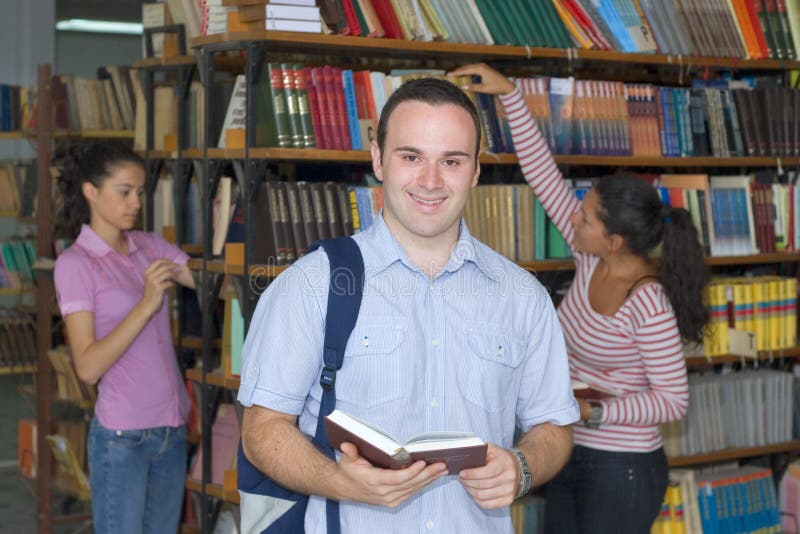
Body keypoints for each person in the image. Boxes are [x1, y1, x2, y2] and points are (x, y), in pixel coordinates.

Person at [238, 77, 580, 533]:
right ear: (378, 158)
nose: (431, 181)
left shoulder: (523, 297)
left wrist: (523, 467)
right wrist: (341, 481)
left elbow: (553, 427)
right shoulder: (310, 285)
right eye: (411, 156)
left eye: (452, 161)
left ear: (476, 170)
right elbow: (262, 431)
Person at [449, 63, 709, 534]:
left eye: (586, 218)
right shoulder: (592, 260)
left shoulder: (648, 303)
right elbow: (544, 176)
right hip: (570, 447)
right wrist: (509, 93)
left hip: (623, 467)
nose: (574, 220)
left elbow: (673, 401)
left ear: (614, 240)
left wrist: (596, 411)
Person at [54, 141, 196, 534]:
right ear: (91, 191)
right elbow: (87, 366)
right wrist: (147, 303)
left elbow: (211, 284)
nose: (135, 202)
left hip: (172, 429)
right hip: (122, 439)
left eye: (139, 192)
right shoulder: (75, 265)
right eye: (124, 192)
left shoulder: (149, 246)